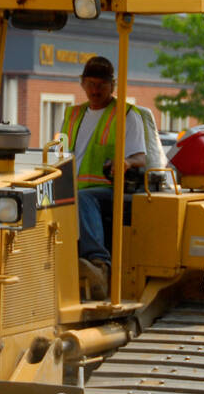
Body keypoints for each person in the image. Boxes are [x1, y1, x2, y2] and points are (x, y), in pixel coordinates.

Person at [59, 55, 155, 300]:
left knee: (83, 199)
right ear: (82, 84)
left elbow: (141, 159)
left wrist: (125, 162)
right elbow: (59, 155)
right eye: (90, 84)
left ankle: (99, 264)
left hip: (112, 191)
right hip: (72, 191)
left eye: (101, 84)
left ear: (112, 86)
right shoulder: (72, 115)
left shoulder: (125, 115)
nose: (95, 90)